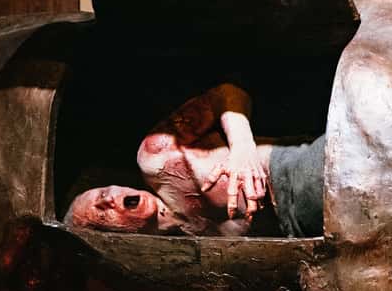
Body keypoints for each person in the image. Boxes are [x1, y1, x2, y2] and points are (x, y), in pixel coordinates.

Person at [65, 84, 324, 238]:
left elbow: (226, 94)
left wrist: (242, 149)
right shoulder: (189, 247)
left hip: (294, 174)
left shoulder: (157, 158)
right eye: (101, 212)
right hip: (301, 231)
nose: (109, 199)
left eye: (102, 194)